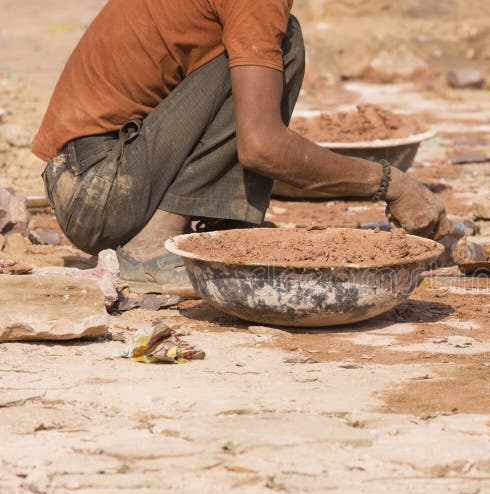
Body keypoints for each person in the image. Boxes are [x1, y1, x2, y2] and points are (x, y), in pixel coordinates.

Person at [33, 0, 452, 292]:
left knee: (253, 66)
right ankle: (149, 249)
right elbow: (262, 147)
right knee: (284, 44)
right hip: (101, 190)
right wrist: (390, 183)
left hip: (86, 181)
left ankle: (208, 228)